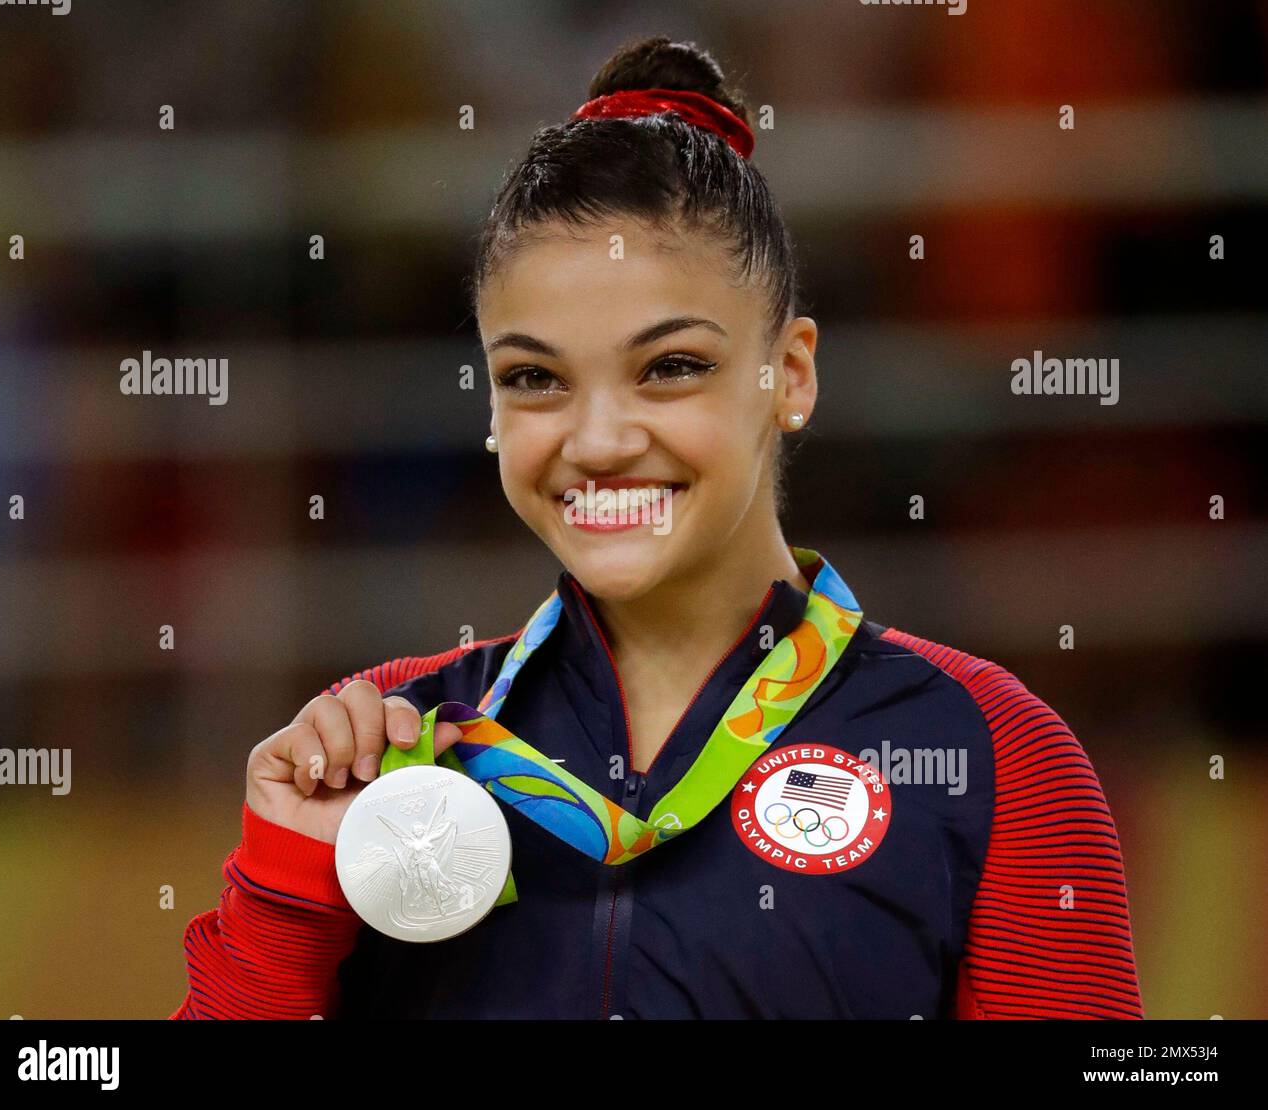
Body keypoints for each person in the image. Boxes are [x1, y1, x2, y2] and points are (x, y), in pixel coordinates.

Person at [172, 36, 1143, 1020]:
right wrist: (283, 896)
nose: (596, 440)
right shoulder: (391, 751)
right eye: (535, 378)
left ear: (791, 374)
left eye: (670, 366)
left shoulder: (989, 753)